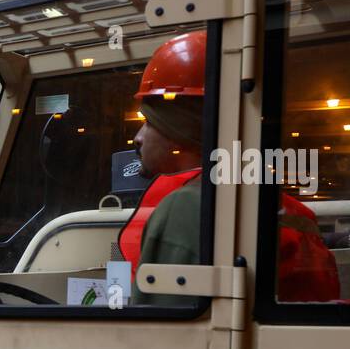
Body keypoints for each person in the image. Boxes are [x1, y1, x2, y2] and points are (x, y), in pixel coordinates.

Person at [121, 30, 338, 305]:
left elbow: (165, 332)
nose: (138, 138)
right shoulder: (293, 212)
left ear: (179, 128)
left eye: (150, 122)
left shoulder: (187, 207)